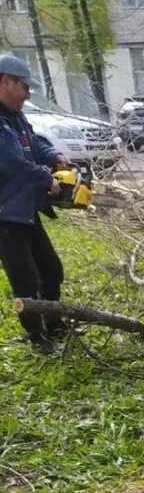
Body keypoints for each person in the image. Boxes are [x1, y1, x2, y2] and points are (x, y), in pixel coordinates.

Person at [0, 53, 72, 353]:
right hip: (5, 215)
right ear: (5, 81)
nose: (28, 93)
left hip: (24, 210)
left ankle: (54, 323)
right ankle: (37, 338)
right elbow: (12, 162)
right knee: (25, 279)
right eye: (24, 86)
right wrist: (47, 180)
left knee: (51, 270)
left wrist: (53, 155)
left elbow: (34, 141)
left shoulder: (15, 117)